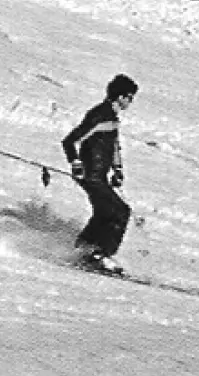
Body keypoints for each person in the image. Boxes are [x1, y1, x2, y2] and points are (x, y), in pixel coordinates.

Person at [62, 73, 139, 273]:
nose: (130, 102)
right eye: (129, 97)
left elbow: (113, 146)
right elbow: (70, 141)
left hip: (100, 175)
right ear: (120, 96)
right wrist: (76, 163)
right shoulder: (99, 115)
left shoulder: (112, 118)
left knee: (105, 212)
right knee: (120, 212)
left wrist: (117, 169)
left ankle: (84, 246)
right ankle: (101, 255)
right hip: (90, 175)